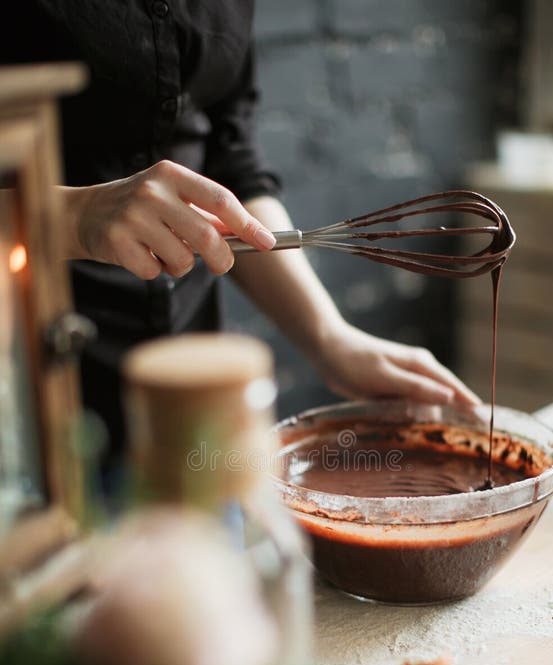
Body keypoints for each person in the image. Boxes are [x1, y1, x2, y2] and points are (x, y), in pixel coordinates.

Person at [4, 0, 479, 462]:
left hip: (197, 405)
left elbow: (231, 166)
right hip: (34, 420)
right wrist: (70, 216)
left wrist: (329, 338)